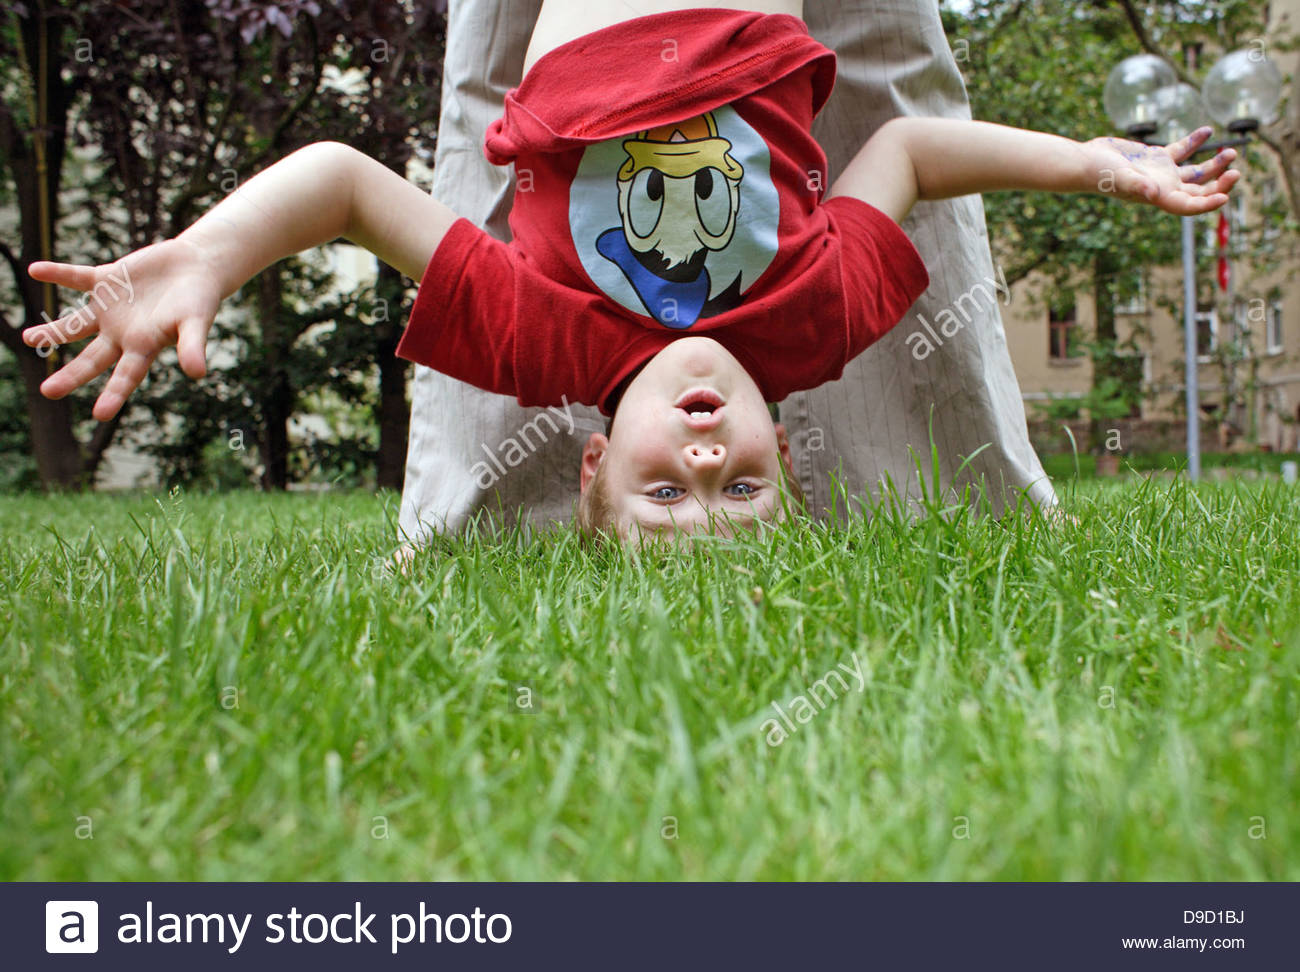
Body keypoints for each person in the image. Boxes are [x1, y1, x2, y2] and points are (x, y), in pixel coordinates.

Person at [23, 1, 1237, 541]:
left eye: (668, 499)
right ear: (787, 460)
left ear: (594, 468)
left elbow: (344, 186)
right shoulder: (812, 322)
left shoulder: (550, 341)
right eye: (741, 497)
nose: (705, 467)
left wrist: (205, 257)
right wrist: (1094, 163)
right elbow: (910, 149)